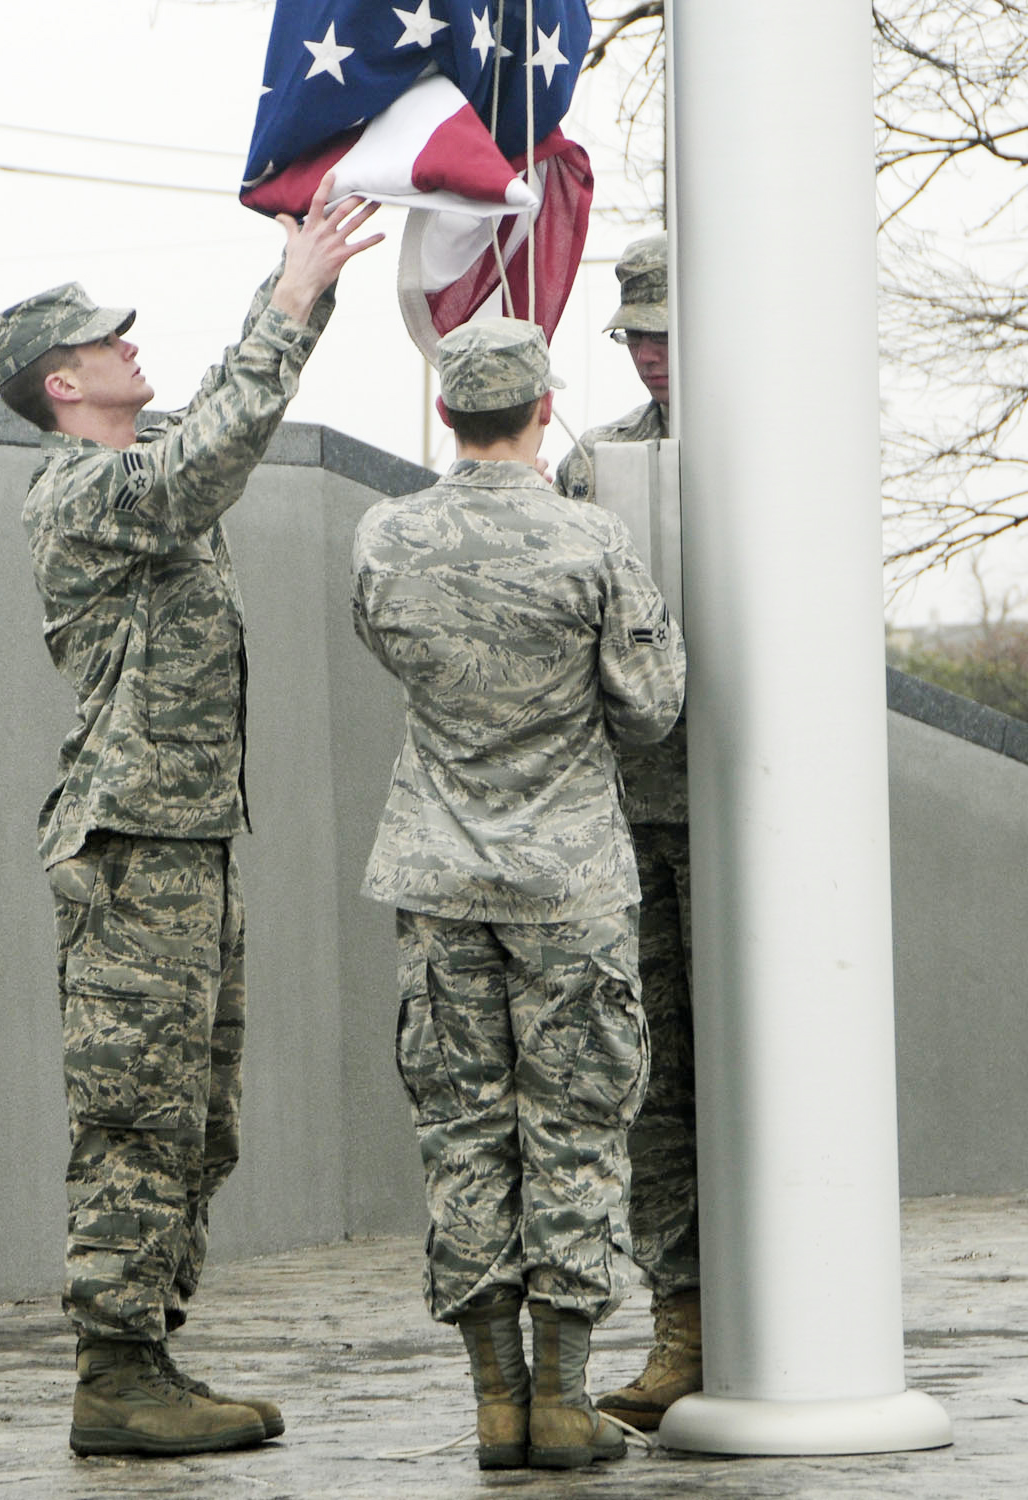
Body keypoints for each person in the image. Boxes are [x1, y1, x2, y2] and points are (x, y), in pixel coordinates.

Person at [0, 175, 381, 1459]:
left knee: (198, 1121)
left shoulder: (133, 474)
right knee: (137, 1117)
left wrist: (294, 293)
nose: (129, 346)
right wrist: (295, 295)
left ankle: (151, 1348)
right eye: (105, 341)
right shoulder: (80, 494)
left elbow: (210, 424)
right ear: (62, 386)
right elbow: (215, 449)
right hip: (133, 849)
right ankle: (117, 1372)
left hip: (186, 840)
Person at [351, 319, 685, 1472]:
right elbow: (649, 707)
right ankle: (564, 1402)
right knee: (577, 1131)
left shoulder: (387, 537)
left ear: (448, 413)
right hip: (568, 883)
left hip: (439, 880)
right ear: (545, 407)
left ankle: (496, 1403)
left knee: (462, 1134)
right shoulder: (593, 543)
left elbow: (385, 644)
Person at [555, 233, 703, 1430]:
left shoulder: (787, 439)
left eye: (670, 329)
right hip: (638, 813)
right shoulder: (595, 469)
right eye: (637, 335)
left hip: (764, 819)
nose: (653, 354)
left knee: (778, 1070)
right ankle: (685, 1321)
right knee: (653, 1086)